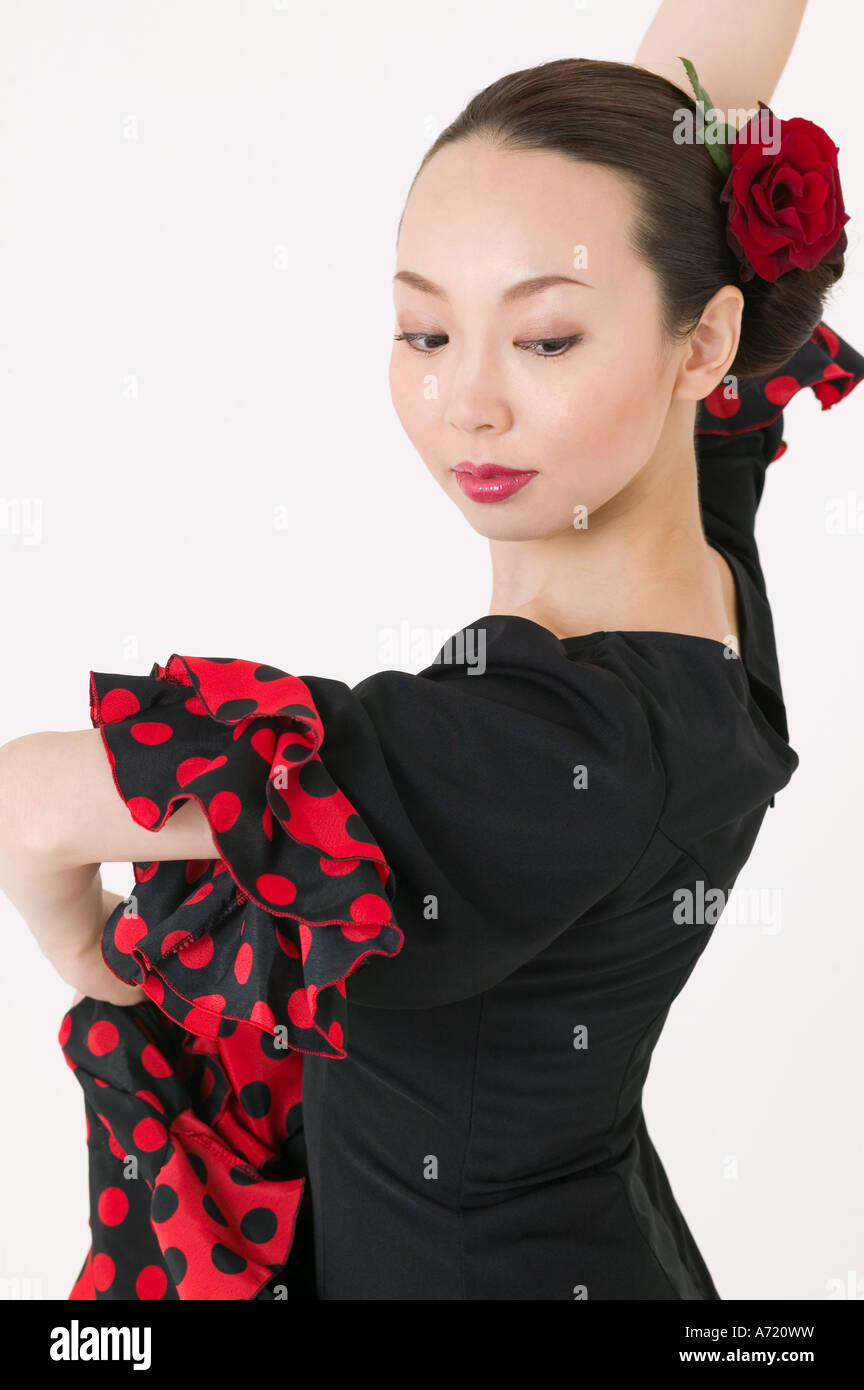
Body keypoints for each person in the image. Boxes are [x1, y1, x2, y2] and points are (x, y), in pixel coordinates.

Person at [0, 1, 861, 1300]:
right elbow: (691, 119)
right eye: (425, 330)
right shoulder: (697, 528)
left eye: (546, 336)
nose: (467, 398)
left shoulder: (521, 750)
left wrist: (92, 953)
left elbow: (24, 801)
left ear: (707, 339)